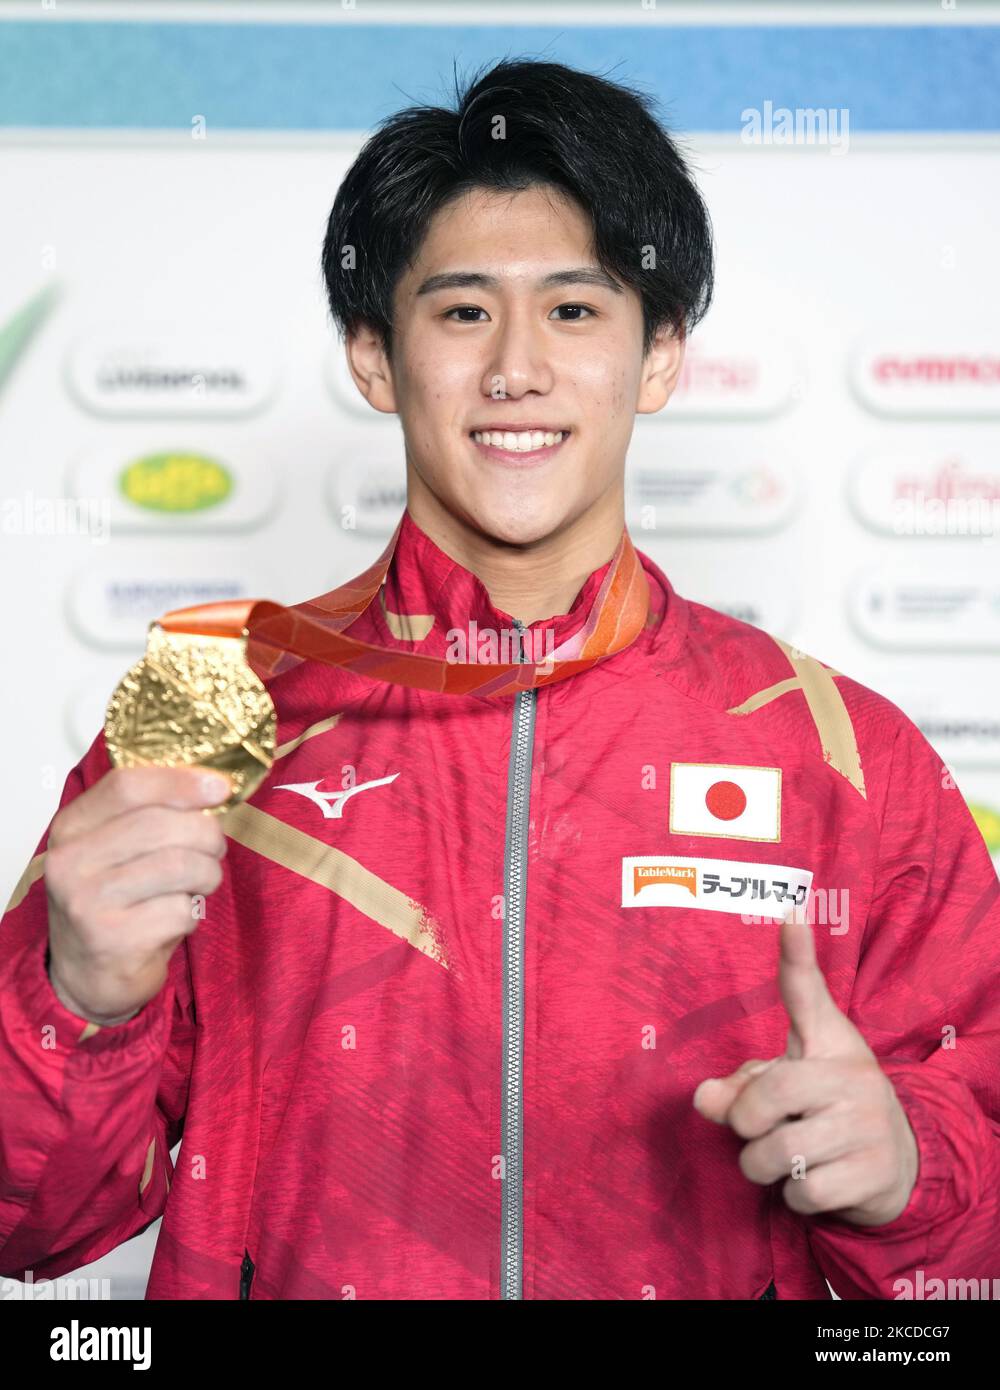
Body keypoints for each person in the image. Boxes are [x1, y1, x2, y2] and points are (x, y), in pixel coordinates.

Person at [1, 57, 998, 1302]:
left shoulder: (839, 747)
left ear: (660, 356)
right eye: (462, 311)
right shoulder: (208, 697)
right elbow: (28, 1221)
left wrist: (908, 1165)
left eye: (576, 311)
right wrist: (76, 1000)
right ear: (374, 354)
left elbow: (972, 1237)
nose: (516, 368)